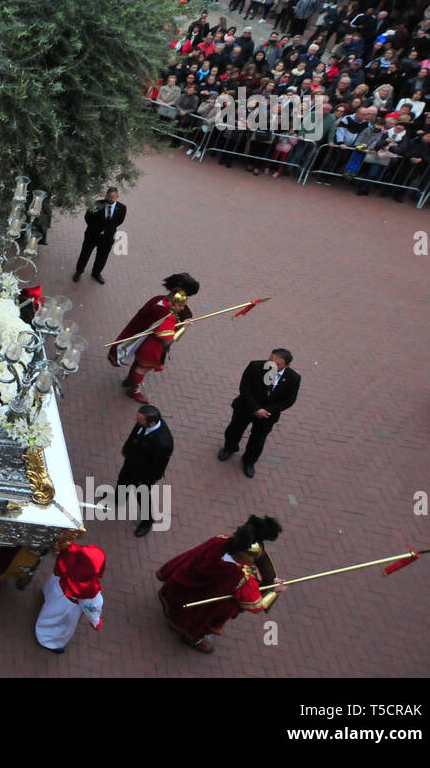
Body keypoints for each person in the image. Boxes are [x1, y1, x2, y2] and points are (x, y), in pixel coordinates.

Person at [157, 514, 286, 654]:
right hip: (205, 603)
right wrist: (274, 591)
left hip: (185, 583)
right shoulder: (242, 578)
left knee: (179, 606)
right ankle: (193, 639)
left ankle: (174, 620)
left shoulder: (219, 540)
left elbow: (194, 554)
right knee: (205, 620)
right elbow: (255, 605)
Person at [108, 273, 199, 403]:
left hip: (143, 340)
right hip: (152, 347)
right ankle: (133, 391)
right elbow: (167, 341)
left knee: (138, 363)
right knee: (142, 368)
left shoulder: (158, 299)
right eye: (182, 304)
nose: (183, 307)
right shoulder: (167, 315)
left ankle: (129, 380)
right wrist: (184, 327)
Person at [218, 349, 301, 478]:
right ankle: (229, 448)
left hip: (267, 416)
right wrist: (256, 409)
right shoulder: (255, 366)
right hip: (246, 407)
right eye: (270, 361)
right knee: (234, 429)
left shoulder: (294, 378)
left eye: (277, 364)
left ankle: (249, 461)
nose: (272, 366)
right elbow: (244, 389)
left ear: (287, 366)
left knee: (258, 439)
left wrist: (267, 410)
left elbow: (289, 401)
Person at [33, 543, 105, 654]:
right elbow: (91, 607)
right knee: (58, 622)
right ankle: (49, 641)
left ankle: (45, 598)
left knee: (50, 608)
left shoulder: (71, 556)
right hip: (67, 605)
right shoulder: (90, 589)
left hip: (57, 588)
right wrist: (95, 621)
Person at [116, 404, 174, 537]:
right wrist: (127, 448)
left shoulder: (163, 442)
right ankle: (119, 499)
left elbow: (158, 467)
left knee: (142, 496)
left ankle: (147, 521)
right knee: (122, 479)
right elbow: (134, 434)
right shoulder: (144, 422)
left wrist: (145, 481)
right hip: (131, 462)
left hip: (143, 474)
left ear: (152, 423)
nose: (137, 421)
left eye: (140, 420)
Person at [72, 188, 125, 284]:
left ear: (117, 197)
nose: (110, 199)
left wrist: (107, 230)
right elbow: (87, 217)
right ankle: (79, 271)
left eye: (112, 197)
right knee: (85, 253)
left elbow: (119, 221)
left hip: (107, 238)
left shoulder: (122, 208)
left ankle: (96, 273)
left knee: (102, 256)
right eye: (108, 196)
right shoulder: (97, 204)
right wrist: (96, 228)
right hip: (92, 235)